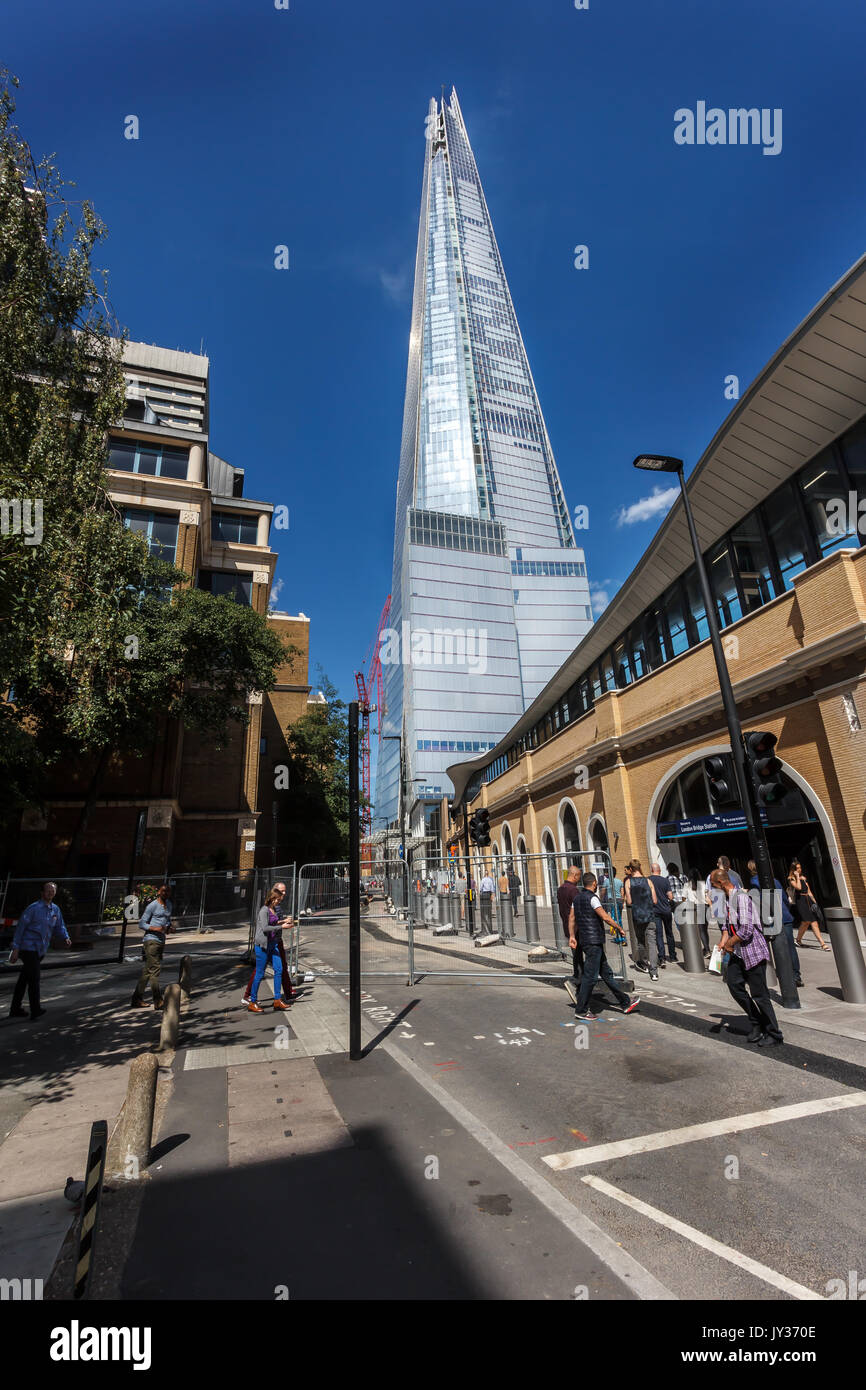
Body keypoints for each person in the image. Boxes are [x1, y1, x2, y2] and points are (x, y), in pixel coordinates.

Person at [716, 870, 783, 1046]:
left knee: (760, 995)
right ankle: (756, 1022)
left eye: (714, 886)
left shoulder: (741, 899)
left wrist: (729, 943)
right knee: (734, 984)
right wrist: (723, 941)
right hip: (737, 953)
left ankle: (774, 1033)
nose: (712, 890)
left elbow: (746, 929)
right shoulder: (726, 900)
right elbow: (725, 925)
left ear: (721, 883)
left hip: (752, 952)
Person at [568, 872, 640, 1022]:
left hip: (585, 940)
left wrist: (572, 936)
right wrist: (619, 927)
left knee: (606, 974)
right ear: (594, 883)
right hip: (594, 941)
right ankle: (581, 1010)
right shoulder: (593, 898)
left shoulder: (577, 898)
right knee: (590, 977)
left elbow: (572, 918)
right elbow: (605, 916)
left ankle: (625, 1002)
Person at [8, 880, 71, 1020]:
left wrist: (65, 937)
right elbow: (20, 929)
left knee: (24, 979)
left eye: (53, 890)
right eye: (48, 890)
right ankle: (35, 1010)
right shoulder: (33, 909)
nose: (50, 892)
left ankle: (15, 1009)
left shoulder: (55, 909)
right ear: (42, 892)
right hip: (28, 948)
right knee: (34, 979)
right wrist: (16, 949)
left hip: (41, 950)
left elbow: (59, 926)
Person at [748, 860, 803, 987]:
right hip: (784, 916)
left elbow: (757, 902)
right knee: (790, 947)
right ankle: (795, 975)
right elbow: (784, 898)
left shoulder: (754, 883)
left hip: (770, 919)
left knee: (771, 947)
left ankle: (780, 974)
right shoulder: (775, 880)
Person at [242, 882, 295, 1006]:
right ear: (272, 898)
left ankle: (277, 999)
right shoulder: (264, 910)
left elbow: (274, 922)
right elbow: (265, 928)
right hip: (263, 946)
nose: (279, 900)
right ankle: (252, 1000)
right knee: (260, 972)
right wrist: (282, 926)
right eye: (277, 898)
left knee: (279, 969)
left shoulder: (273, 909)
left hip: (273, 944)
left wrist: (283, 921)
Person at [130, 883, 173, 1009]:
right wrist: (155, 928)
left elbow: (167, 921)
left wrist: (169, 928)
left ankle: (136, 1000)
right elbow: (142, 924)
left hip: (161, 941)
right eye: (164, 891)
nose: (166, 893)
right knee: (155, 969)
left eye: (168, 891)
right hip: (151, 941)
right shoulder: (152, 905)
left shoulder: (169, 905)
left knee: (147, 972)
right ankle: (158, 1001)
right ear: (159, 892)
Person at [624, 860, 659, 979]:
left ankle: (644, 964)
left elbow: (629, 901)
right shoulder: (648, 881)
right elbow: (655, 900)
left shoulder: (628, 882)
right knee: (652, 943)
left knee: (641, 942)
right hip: (650, 915)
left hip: (637, 916)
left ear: (631, 869)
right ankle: (654, 972)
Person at [788, 860, 829, 950]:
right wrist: (798, 877)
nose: (799, 869)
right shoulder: (792, 879)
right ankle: (823, 944)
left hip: (808, 900)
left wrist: (814, 902)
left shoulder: (804, 878)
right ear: (794, 869)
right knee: (811, 922)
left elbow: (809, 891)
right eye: (797, 868)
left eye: (800, 868)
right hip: (801, 901)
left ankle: (798, 940)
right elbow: (799, 888)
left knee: (806, 922)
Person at [557, 866, 584, 996]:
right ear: (574, 876)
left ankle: (578, 979)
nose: (579, 879)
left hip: (567, 926)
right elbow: (578, 910)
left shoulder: (560, 889)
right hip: (577, 927)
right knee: (581, 955)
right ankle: (577, 981)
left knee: (576, 955)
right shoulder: (574, 891)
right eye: (579, 876)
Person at [649, 861, 677, 966]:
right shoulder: (665, 880)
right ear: (659, 871)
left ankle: (662, 957)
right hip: (666, 910)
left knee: (659, 935)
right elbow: (670, 896)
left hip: (655, 910)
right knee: (669, 933)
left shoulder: (648, 880)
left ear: (652, 870)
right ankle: (673, 956)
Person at [479, 869, 495, 934]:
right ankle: (489, 912)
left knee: (484, 908)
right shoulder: (490, 880)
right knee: (489, 906)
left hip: (484, 894)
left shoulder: (483, 880)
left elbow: (481, 887)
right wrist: (492, 894)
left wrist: (480, 892)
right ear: (488, 874)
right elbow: (492, 888)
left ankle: (485, 929)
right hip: (489, 893)